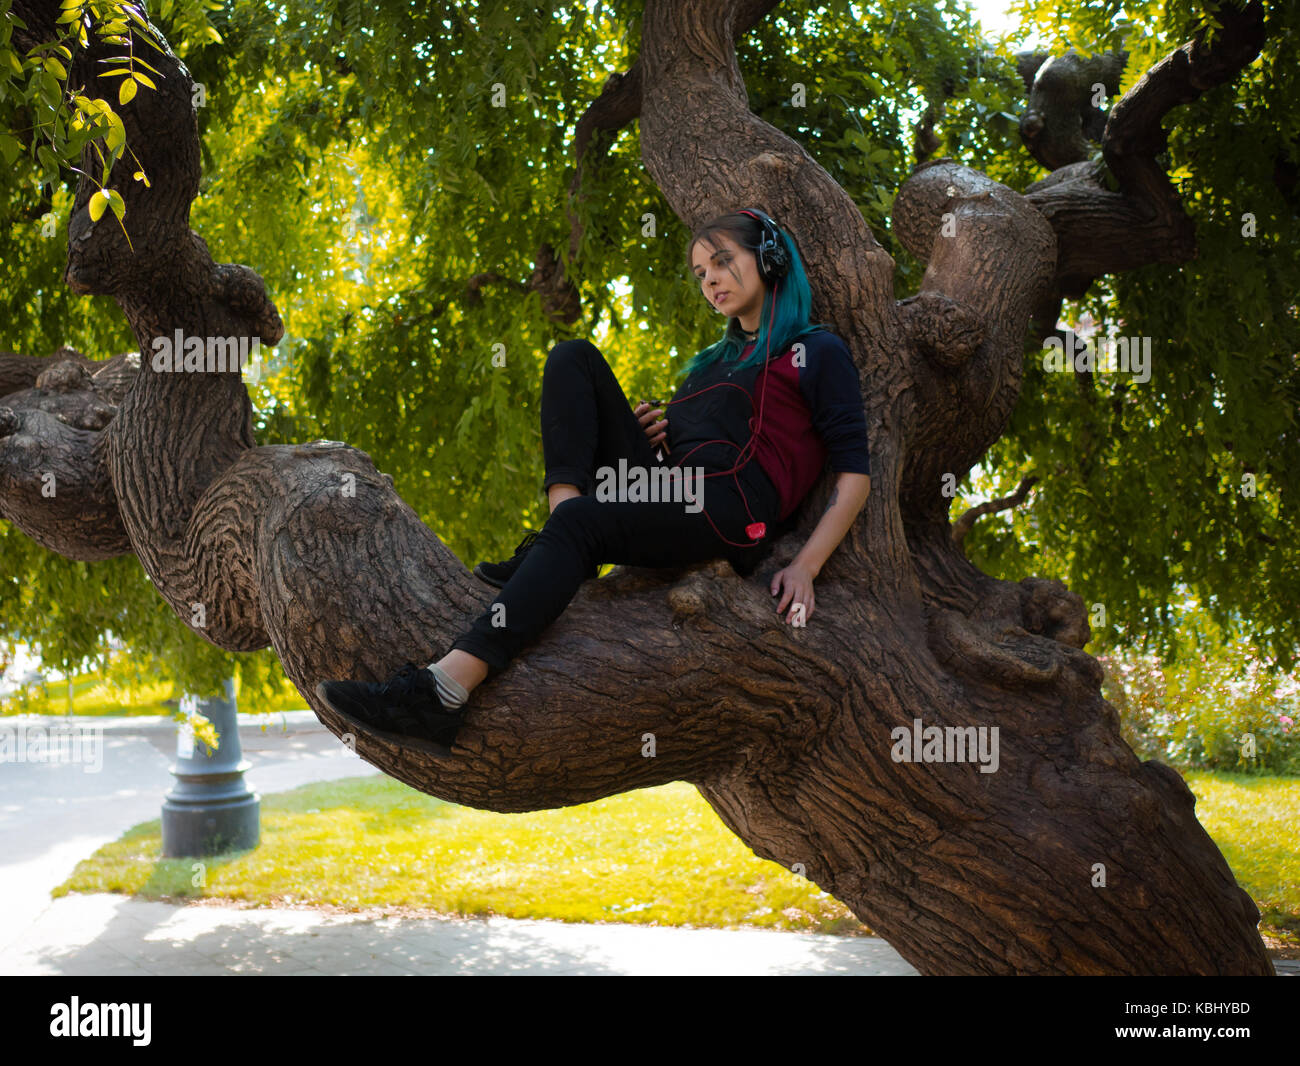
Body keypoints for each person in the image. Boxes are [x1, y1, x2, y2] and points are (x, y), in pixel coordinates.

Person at [316, 208, 872, 754]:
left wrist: (806, 565)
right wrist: (650, 437)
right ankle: (565, 530)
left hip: (734, 510)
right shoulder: (710, 365)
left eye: (723, 262)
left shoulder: (815, 352)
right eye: (701, 273)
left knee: (586, 520)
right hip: (673, 490)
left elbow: (854, 476)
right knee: (572, 356)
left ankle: (444, 690)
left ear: (771, 259)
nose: (710, 281)